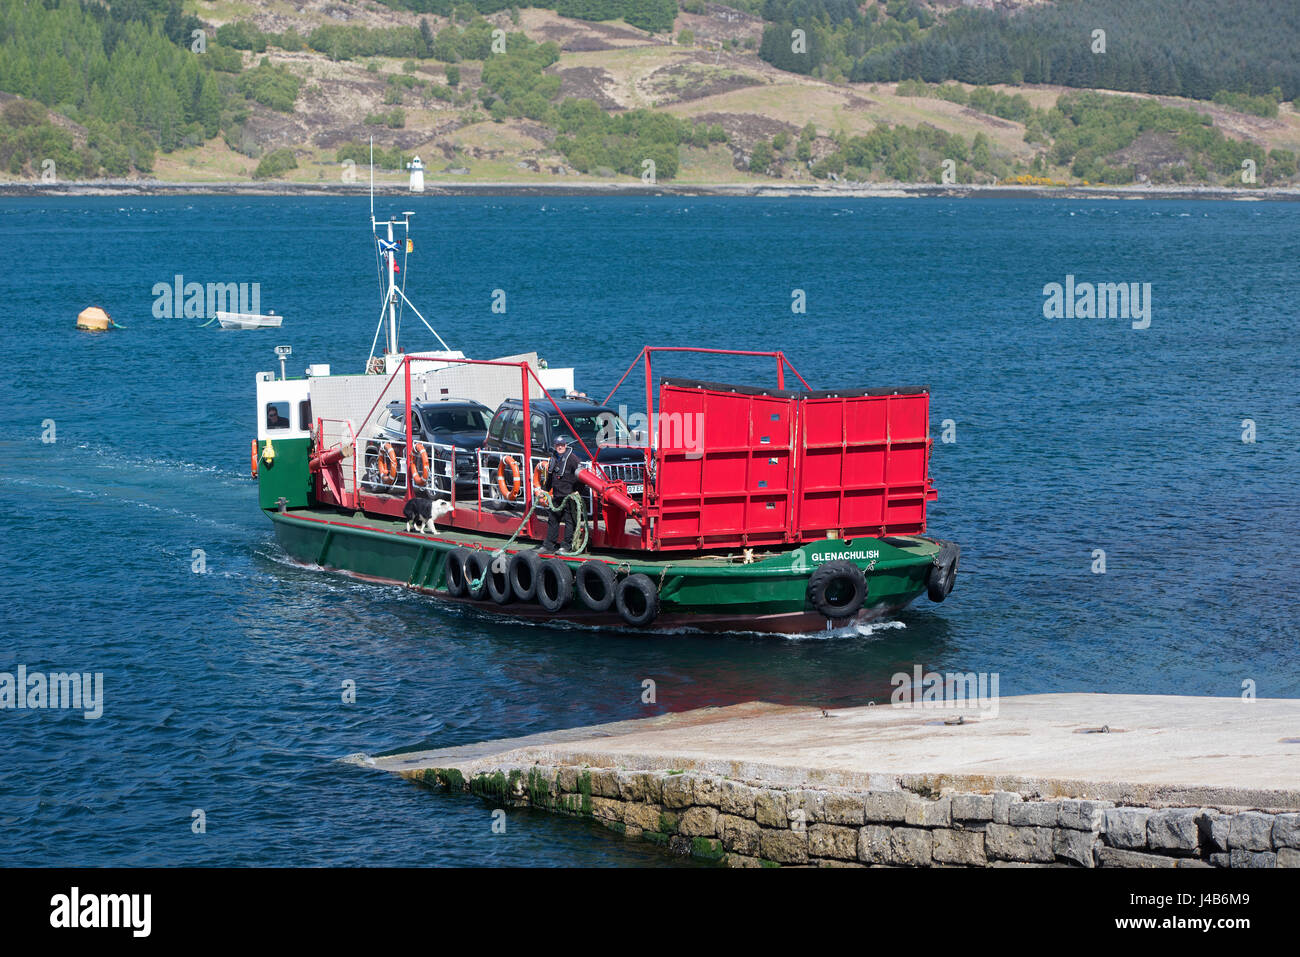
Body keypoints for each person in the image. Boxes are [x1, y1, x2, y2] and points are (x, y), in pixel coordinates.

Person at [538, 436, 580, 553]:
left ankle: (567, 546)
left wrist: (577, 491)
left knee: (569, 521)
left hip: (569, 496)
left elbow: (581, 477)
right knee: (552, 519)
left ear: (565, 446)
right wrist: (544, 490)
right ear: (555, 446)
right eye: (557, 445)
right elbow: (550, 477)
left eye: (562, 445)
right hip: (557, 495)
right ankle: (549, 545)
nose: (560, 447)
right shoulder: (553, 459)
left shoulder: (573, 459)